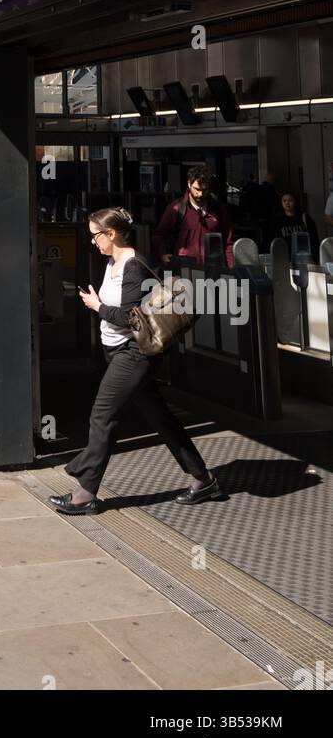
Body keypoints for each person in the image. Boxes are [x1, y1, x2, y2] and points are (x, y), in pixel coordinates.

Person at [48, 206, 218, 515]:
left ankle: (85, 493)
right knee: (159, 417)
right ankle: (203, 478)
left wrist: (97, 306)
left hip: (134, 354)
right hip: (118, 353)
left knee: (102, 416)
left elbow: (130, 318)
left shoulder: (133, 266)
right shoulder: (112, 262)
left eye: (95, 236)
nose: (92, 242)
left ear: (111, 234)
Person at [153, 164, 234, 269]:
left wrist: (230, 268)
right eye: (197, 189)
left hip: (213, 270)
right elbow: (159, 235)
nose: (200, 194)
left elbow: (228, 242)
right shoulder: (176, 208)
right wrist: (162, 254)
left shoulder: (219, 210)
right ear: (189, 184)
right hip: (183, 269)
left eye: (204, 190)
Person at [275, 192, 319, 262]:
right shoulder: (278, 221)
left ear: (295, 202)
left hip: (304, 257)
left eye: (290, 200)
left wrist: (314, 258)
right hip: (286, 259)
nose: (287, 203)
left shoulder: (304, 218)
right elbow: (276, 243)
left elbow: (314, 240)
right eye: (284, 201)